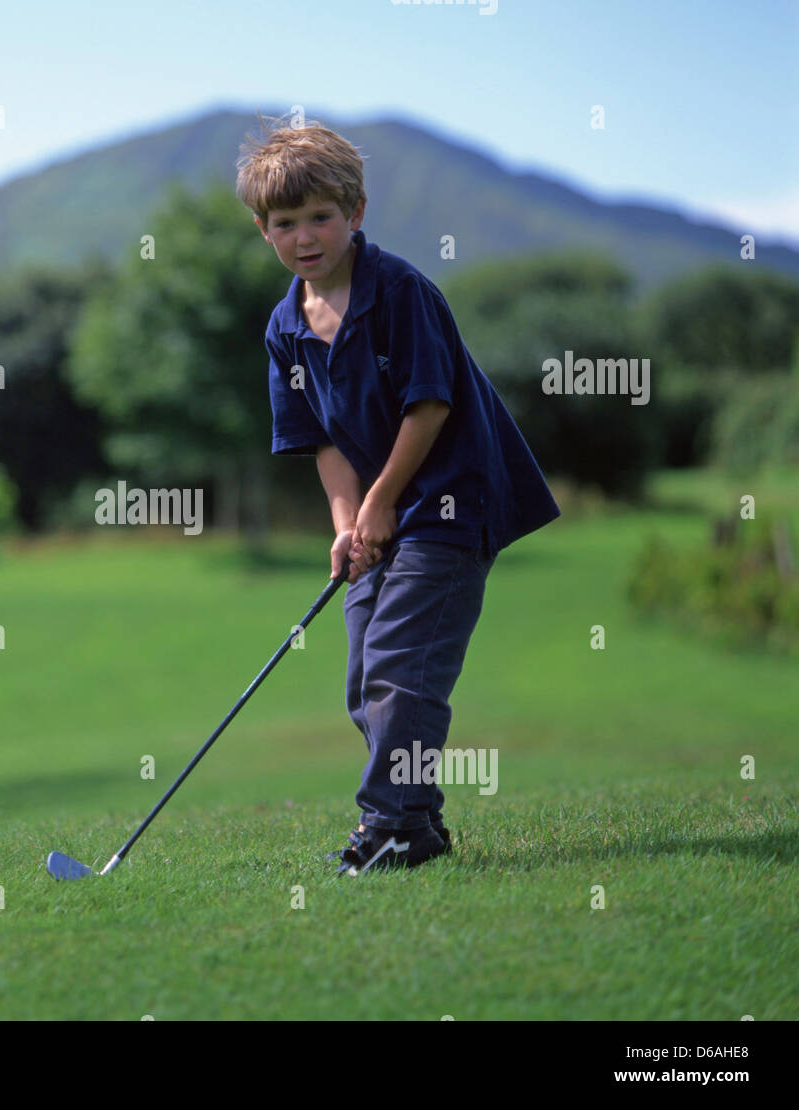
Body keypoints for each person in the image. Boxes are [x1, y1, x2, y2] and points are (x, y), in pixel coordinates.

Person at [236, 114, 560, 874]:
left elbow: (429, 406)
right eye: (287, 223)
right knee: (364, 681)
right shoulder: (286, 328)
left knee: (399, 668)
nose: (306, 236)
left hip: (452, 500)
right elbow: (320, 440)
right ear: (263, 230)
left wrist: (381, 503)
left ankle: (390, 827)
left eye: (322, 216)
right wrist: (349, 521)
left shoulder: (401, 291)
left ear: (356, 213)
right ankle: (419, 822)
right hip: (382, 510)